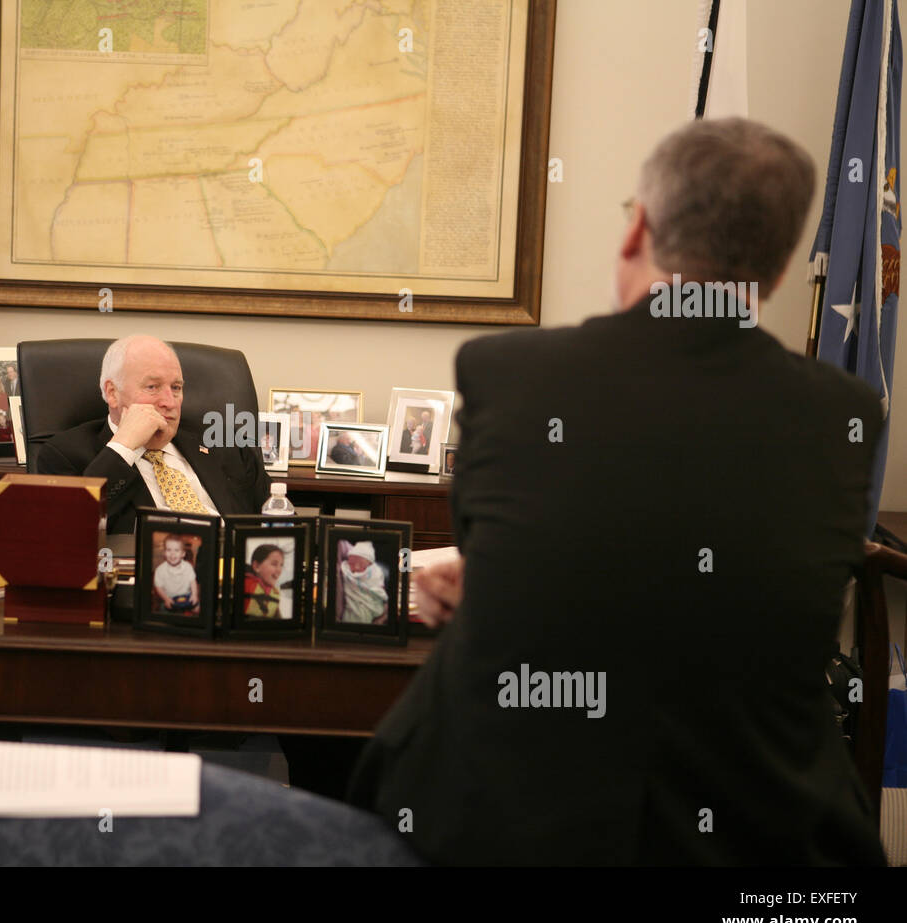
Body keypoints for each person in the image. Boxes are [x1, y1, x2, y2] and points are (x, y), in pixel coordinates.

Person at [347, 118, 888, 865]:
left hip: (495, 822)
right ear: (781, 263)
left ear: (638, 229)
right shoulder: (845, 413)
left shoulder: (507, 371)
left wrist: (504, 582)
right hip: (759, 831)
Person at [30, 336, 271, 534]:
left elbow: (280, 519)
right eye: (152, 387)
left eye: (176, 388)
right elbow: (68, 531)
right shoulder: (67, 454)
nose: (169, 402)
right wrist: (123, 446)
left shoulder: (220, 442)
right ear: (112, 393)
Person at [338, 541, 387, 624]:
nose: (356, 567)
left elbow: (378, 587)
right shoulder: (345, 568)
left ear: (370, 564)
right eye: (352, 563)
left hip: (368, 602)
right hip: (352, 603)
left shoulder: (374, 572)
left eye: (361, 564)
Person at [153, 535, 198, 614]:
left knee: (198, 609)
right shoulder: (160, 570)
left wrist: (194, 595)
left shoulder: (188, 567)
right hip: (169, 598)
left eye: (176, 550)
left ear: (183, 554)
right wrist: (166, 599)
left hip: (186, 596)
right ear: (164, 552)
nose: (172, 554)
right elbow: (158, 587)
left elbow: (193, 582)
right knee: (163, 612)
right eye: (169, 550)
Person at [244, 543, 285, 618]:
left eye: (281, 565)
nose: (279, 570)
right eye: (274, 564)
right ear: (257, 566)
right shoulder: (245, 585)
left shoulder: (275, 593)